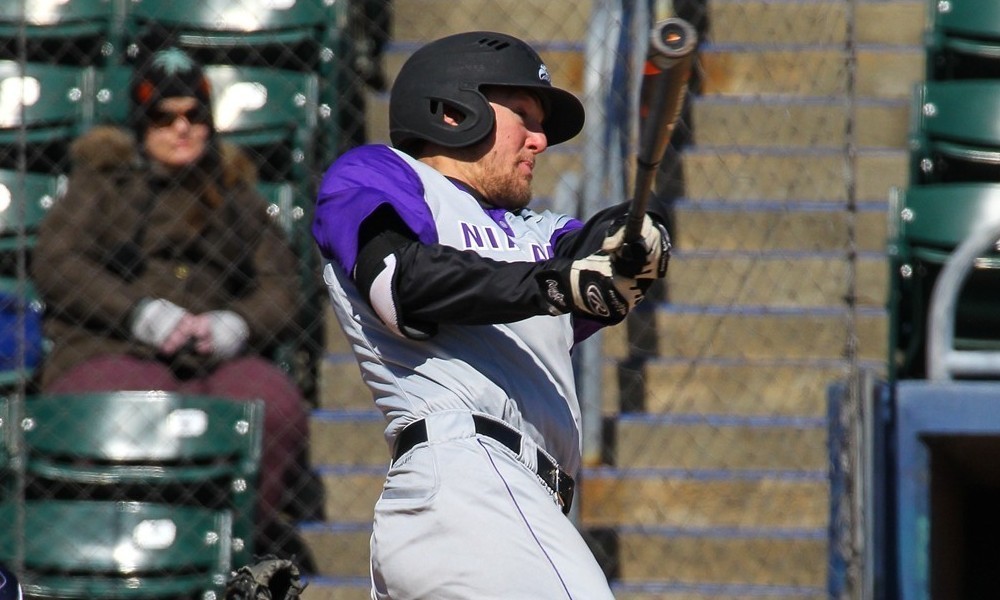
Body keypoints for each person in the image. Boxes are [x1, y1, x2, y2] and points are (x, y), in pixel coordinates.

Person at [312, 31, 670, 598]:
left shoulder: (536, 232)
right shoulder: (384, 176)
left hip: (512, 503)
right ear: (454, 111)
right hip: (467, 477)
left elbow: (590, 249)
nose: (540, 140)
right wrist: (555, 284)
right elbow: (402, 285)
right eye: (524, 116)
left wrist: (637, 237)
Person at [30, 47, 312, 564]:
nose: (181, 129)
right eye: (164, 117)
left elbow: (281, 284)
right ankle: (119, 548)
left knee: (273, 402)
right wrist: (137, 313)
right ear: (141, 124)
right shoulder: (103, 182)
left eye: (193, 115)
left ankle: (238, 552)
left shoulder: (235, 191)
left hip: (212, 358)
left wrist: (237, 324)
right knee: (141, 401)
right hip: (109, 345)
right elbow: (56, 262)